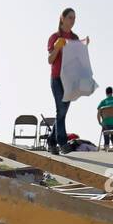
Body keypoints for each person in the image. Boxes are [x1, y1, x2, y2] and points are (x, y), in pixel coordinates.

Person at [47, 8, 87, 153]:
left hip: (70, 80)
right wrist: (57, 47)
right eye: (70, 17)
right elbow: (50, 60)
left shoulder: (74, 38)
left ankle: (51, 141)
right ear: (62, 18)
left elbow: (78, 60)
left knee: (61, 112)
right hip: (57, 78)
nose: (72, 20)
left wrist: (83, 47)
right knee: (61, 110)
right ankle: (63, 143)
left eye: (74, 18)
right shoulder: (54, 37)